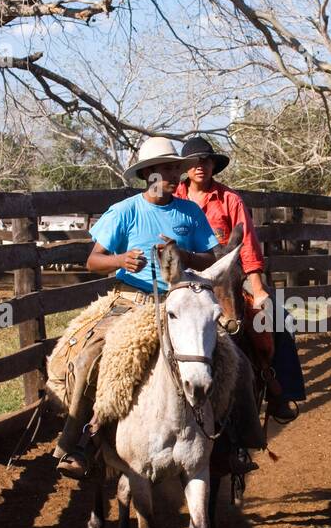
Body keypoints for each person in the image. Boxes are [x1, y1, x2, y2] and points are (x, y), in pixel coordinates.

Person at [54, 135, 234, 480]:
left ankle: (235, 441)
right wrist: (121, 259)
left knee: (229, 357)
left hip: (180, 299)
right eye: (166, 168)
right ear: (148, 173)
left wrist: (184, 255)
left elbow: (211, 256)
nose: (173, 174)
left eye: (175, 168)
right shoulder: (125, 211)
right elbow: (93, 260)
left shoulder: (189, 211)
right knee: (90, 355)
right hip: (130, 300)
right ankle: (77, 440)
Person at [175, 134, 304, 421]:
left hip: (231, 272)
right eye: (195, 161)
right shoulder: (175, 198)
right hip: (187, 274)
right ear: (186, 167)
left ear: (213, 165)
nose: (201, 166)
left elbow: (247, 242)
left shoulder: (229, 199)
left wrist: (257, 288)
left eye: (206, 161)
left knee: (274, 318)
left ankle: (279, 391)